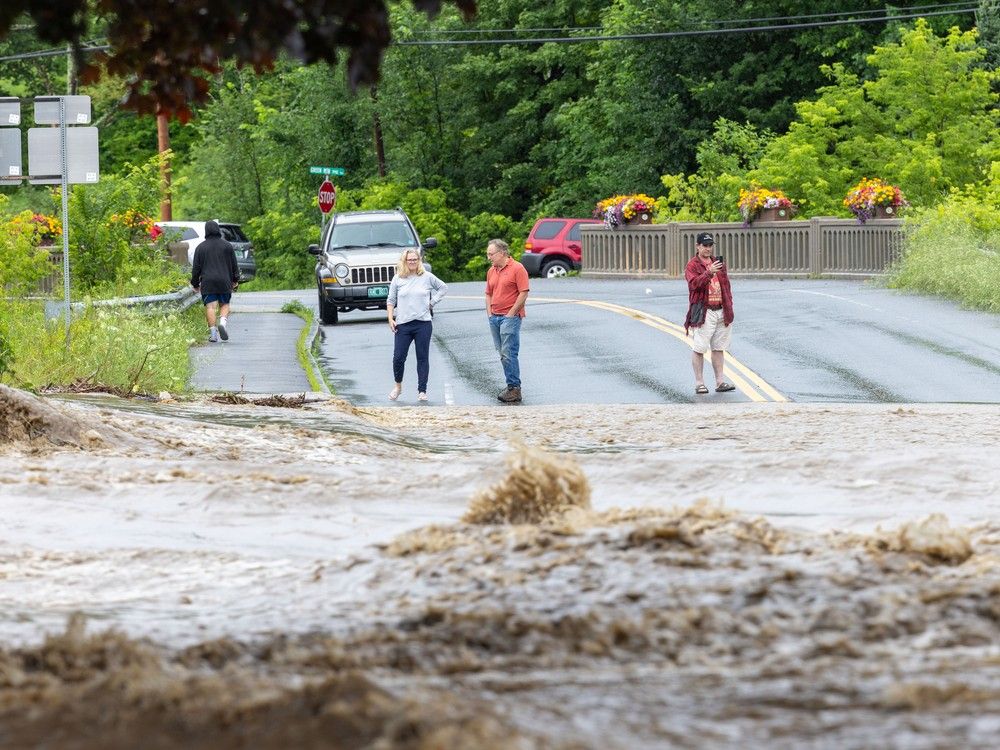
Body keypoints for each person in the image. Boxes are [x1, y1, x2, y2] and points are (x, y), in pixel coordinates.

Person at [386, 249, 448, 401]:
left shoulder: (426, 276)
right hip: (403, 324)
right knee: (398, 357)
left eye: (415, 259)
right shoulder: (398, 278)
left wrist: (432, 303)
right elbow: (391, 300)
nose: (412, 262)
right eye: (410, 260)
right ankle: (398, 387)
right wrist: (390, 318)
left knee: (422, 357)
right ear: (405, 261)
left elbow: (443, 288)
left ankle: (422, 390)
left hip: (423, 323)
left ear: (419, 260)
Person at [684, 231, 735, 394]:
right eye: (704, 245)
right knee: (699, 348)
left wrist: (729, 308)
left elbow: (726, 286)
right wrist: (709, 272)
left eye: (710, 245)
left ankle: (720, 381)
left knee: (719, 348)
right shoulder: (692, 265)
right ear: (697, 246)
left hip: (722, 310)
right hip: (704, 311)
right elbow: (694, 284)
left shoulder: (718, 263)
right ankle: (699, 382)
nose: (708, 248)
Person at [485, 239, 530, 403]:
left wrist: (511, 313)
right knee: (502, 353)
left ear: (502, 253)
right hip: (494, 317)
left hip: (509, 317)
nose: (489, 257)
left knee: (508, 352)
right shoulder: (492, 271)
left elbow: (523, 292)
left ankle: (514, 388)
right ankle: (511, 386)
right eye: (488, 254)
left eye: (491, 254)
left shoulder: (518, 268)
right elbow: (488, 293)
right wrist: (489, 313)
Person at [191, 220, 240, 343]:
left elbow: (196, 269)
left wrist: (195, 284)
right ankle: (222, 323)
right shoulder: (227, 246)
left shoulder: (200, 248)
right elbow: (234, 265)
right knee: (224, 304)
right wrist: (235, 279)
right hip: (224, 280)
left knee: (211, 307)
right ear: (218, 230)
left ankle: (213, 334)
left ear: (206, 231)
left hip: (208, 282)